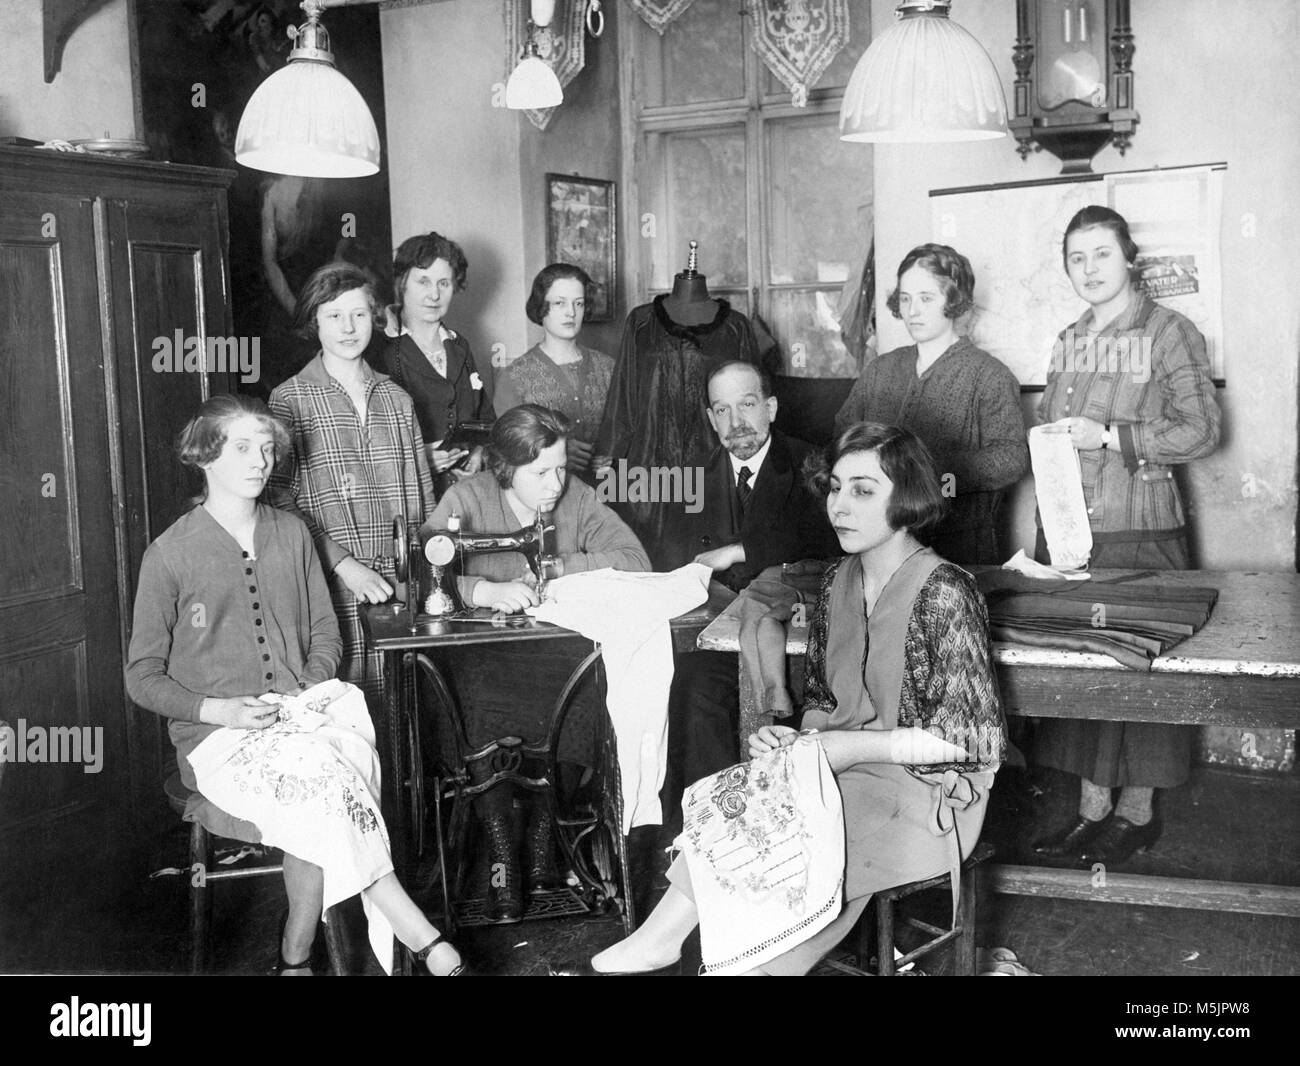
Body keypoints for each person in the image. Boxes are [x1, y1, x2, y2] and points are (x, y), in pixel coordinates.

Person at [549, 422, 1006, 975]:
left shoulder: (946, 590)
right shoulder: (838, 579)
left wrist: (842, 749)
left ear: (907, 499)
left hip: (929, 795)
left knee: (811, 830)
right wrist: (793, 734)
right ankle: (666, 936)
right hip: (839, 768)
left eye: (863, 490)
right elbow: (822, 697)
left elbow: (966, 742)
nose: (839, 504)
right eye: (835, 487)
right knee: (739, 792)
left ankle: (755, 964)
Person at [125, 394, 466, 976]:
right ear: (205, 457)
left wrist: (304, 691)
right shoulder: (170, 554)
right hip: (219, 740)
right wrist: (220, 710)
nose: (261, 461)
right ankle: (410, 929)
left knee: (322, 782)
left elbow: (326, 633)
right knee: (325, 782)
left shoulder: (293, 531)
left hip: (305, 715)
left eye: (267, 449)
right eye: (242, 448)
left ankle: (295, 959)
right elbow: (141, 676)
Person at [1031, 206, 1221, 866]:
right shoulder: (1068, 337)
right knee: (1086, 673)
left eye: (1101, 255)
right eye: (1076, 258)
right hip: (1075, 532)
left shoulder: (1171, 332)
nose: (1089, 269)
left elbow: (1202, 430)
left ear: (1128, 258)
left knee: (1139, 674)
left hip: (1142, 530)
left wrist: (1112, 436)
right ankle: (1090, 814)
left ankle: (1135, 816)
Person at [423, 404, 651, 921]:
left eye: (562, 468)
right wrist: (481, 587)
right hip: (482, 659)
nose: (555, 484)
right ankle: (504, 852)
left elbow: (635, 560)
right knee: (473, 694)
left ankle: (545, 844)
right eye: (540, 472)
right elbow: (421, 574)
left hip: (556, 661)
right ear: (506, 468)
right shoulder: (466, 497)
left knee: (586, 695)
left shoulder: (577, 497)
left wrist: (552, 567)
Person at [660, 360, 839, 820]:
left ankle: (785, 836)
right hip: (719, 642)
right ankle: (710, 831)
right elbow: (679, 565)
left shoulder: (812, 466)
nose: (736, 422)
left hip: (801, 645)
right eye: (722, 409)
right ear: (710, 418)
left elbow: (829, 542)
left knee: (795, 712)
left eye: (747, 404)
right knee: (693, 693)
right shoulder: (689, 480)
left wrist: (739, 550)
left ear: (771, 408)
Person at [268, 263, 435, 706]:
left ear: (375, 318)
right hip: (333, 585)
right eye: (333, 316)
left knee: (412, 708)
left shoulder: (397, 398)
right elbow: (279, 501)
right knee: (353, 710)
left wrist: (428, 573)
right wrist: (343, 565)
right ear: (313, 322)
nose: (348, 327)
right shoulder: (290, 399)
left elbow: (426, 493)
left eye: (359, 315)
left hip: (403, 583)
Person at [834, 243, 1028, 565]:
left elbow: (1012, 458)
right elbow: (841, 434)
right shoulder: (881, 370)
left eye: (926, 299)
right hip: (879, 546)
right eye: (906, 299)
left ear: (953, 301)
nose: (912, 311)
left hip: (958, 545)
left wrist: (934, 473)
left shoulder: (990, 375)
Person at [380, 231, 494, 494]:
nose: (434, 295)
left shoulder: (459, 345)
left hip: (465, 494)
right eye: (423, 282)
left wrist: (478, 452)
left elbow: (485, 418)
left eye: (443, 283)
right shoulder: (380, 347)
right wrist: (420, 458)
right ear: (402, 283)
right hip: (408, 496)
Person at [494, 263, 614, 479]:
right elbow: (504, 454)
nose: (571, 313)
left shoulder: (609, 368)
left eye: (578, 303)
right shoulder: (514, 376)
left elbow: (630, 434)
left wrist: (612, 457)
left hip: (604, 495)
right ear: (541, 307)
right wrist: (557, 448)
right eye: (560, 303)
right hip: (542, 500)